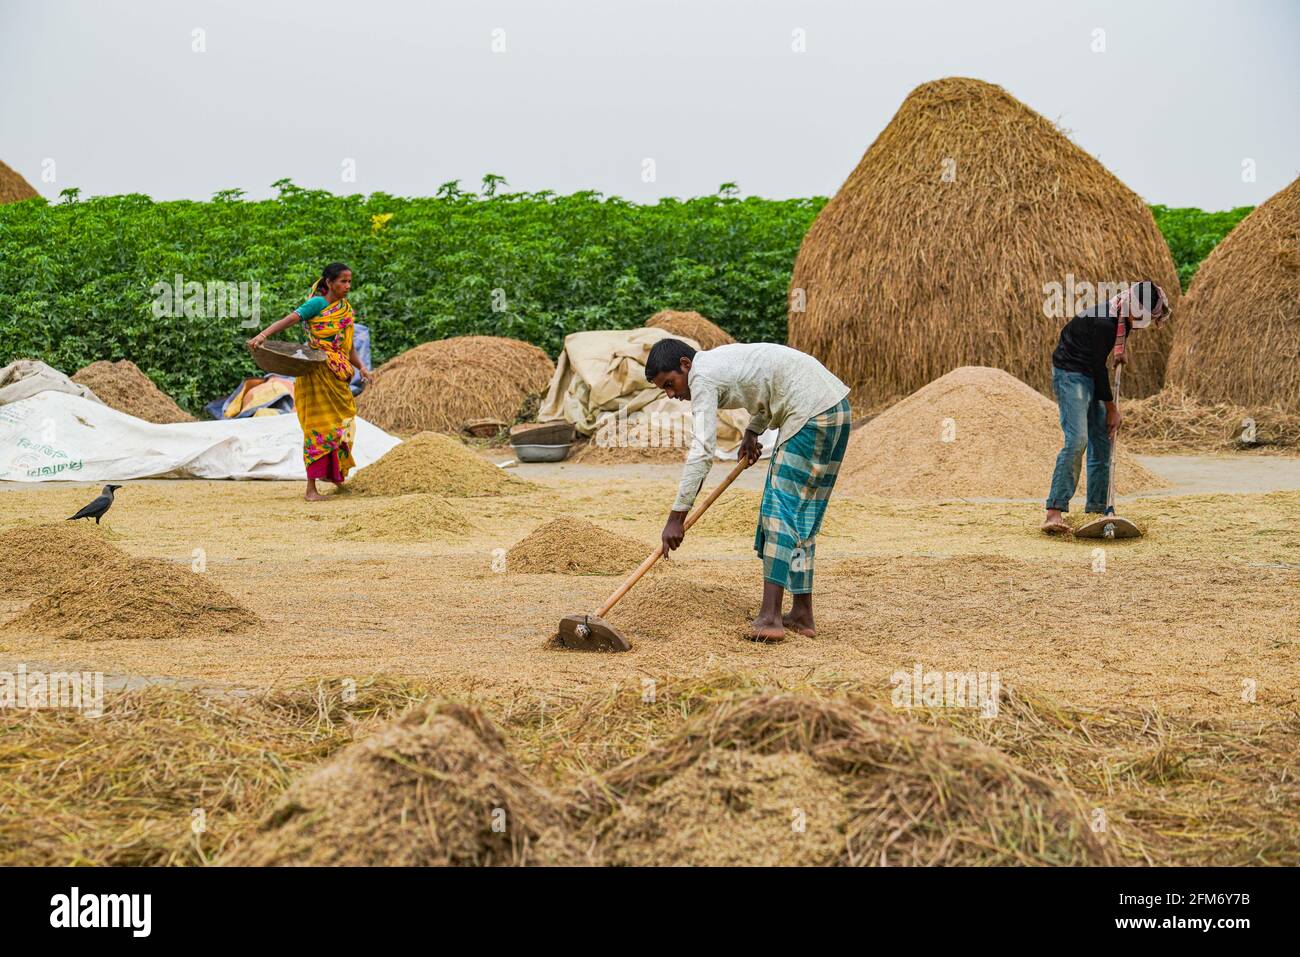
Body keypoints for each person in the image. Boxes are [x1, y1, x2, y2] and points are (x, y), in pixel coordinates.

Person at [646, 338, 851, 642]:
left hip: (810, 414)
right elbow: (769, 387)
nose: (672, 394)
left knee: (778, 512)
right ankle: (801, 615)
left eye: (670, 383)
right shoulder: (722, 362)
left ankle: (770, 618)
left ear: (685, 365)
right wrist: (753, 431)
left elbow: (703, 450)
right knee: (799, 516)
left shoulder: (702, 375)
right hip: (836, 410)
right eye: (664, 389)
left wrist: (677, 516)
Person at [1042, 280, 1169, 534]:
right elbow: (1099, 369)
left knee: (1102, 439)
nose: (1139, 322)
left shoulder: (1121, 312)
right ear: (1133, 306)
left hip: (1089, 369)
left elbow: (1102, 355)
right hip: (1071, 373)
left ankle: (1100, 510)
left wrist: (1118, 353)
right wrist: (1112, 409)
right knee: (1078, 439)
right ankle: (1054, 513)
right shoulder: (1105, 322)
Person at [246, 262, 372, 501]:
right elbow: (289, 319)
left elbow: (347, 347)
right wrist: (263, 335)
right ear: (329, 282)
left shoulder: (345, 309)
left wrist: (362, 368)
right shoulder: (317, 304)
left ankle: (335, 477)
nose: (347, 286)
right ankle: (311, 489)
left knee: (342, 423)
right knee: (317, 427)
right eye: (342, 281)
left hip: (337, 374)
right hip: (316, 372)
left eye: (349, 281)